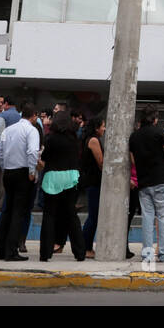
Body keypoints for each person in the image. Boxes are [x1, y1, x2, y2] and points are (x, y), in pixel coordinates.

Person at [0, 100, 39, 262]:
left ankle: (1, 250)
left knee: (7, 211)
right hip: (23, 172)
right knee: (18, 212)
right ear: (33, 116)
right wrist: (32, 171)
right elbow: (32, 151)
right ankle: (11, 251)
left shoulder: (9, 130)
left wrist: (6, 167)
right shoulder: (31, 130)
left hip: (9, 172)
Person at [129, 104, 164, 264]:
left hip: (143, 182)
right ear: (155, 118)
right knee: (163, 218)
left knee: (147, 218)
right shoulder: (159, 132)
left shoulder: (134, 136)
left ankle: (147, 256)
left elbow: (133, 160)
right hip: (161, 179)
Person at [38, 112, 86, 262]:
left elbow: (45, 157)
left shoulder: (50, 138)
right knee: (71, 215)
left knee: (49, 215)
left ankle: (45, 253)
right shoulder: (74, 138)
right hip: (71, 177)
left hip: (53, 177)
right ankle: (80, 252)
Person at [78, 116, 105, 258]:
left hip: (93, 181)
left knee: (94, 216)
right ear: (96, 127)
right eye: (103, 126)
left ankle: (86, 245)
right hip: (93, 182)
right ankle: (85, 246)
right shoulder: (94, 140)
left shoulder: (91, 139)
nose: (104, 129)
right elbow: (101, 162)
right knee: (93, 216)